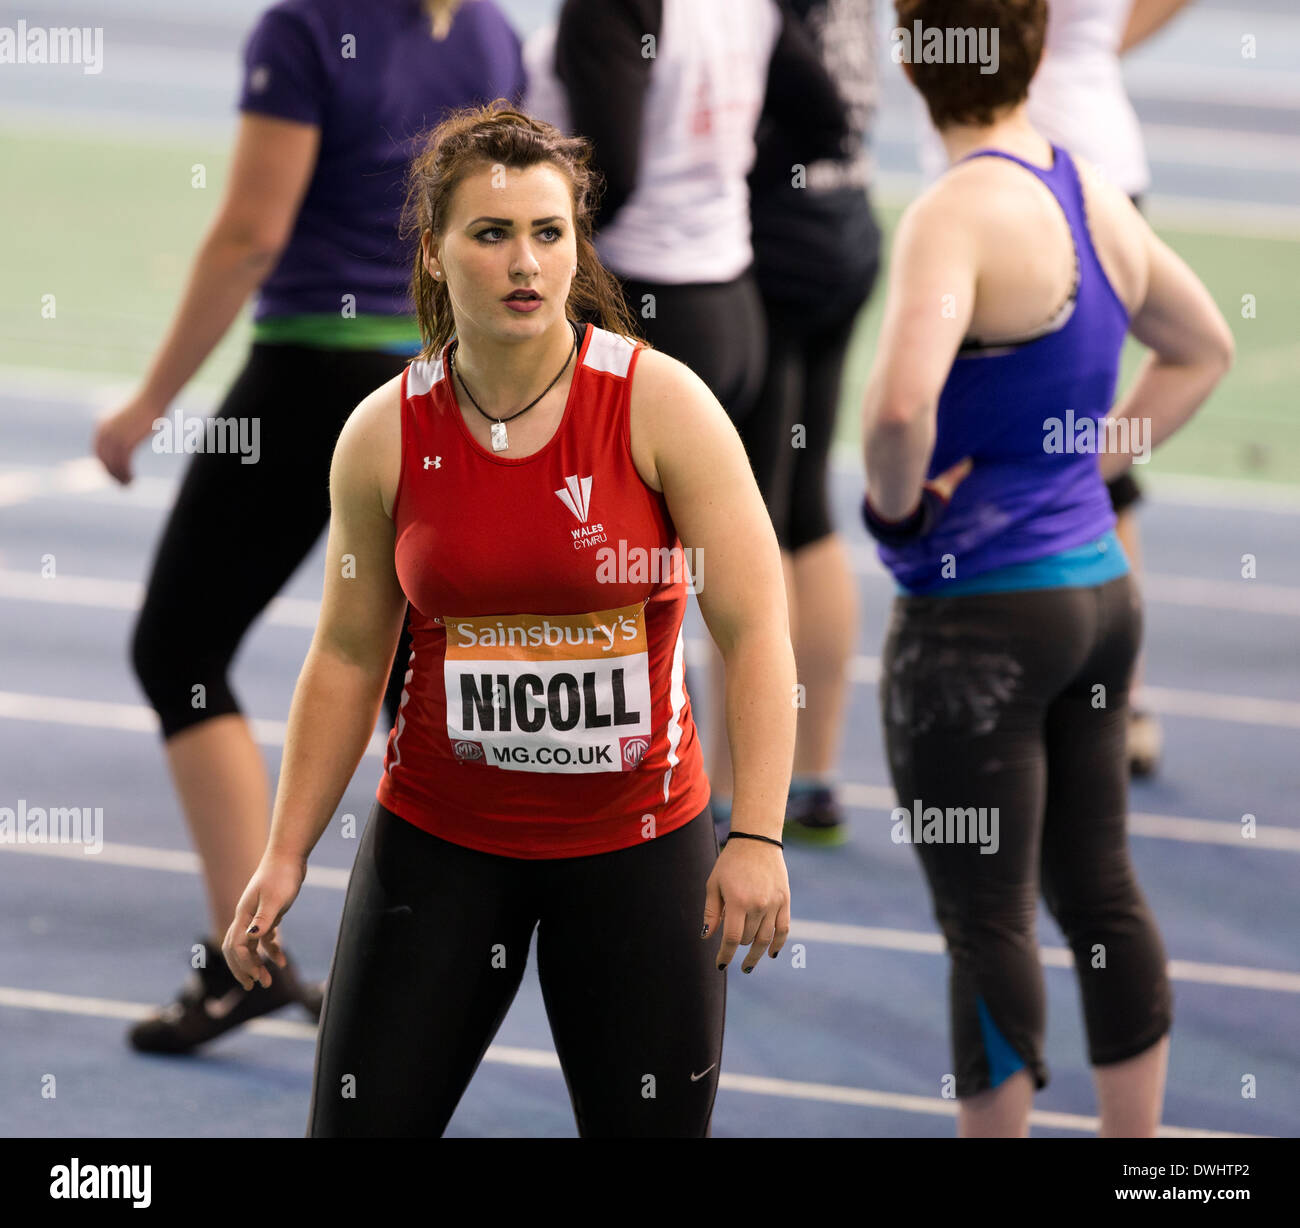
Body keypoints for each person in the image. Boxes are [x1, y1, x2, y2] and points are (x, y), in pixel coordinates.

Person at [222, 102, 796, 1138]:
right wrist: (285, 849)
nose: (525, 262)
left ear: (578, 248)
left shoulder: (661, 407)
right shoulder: (384, 434)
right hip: (440, 844)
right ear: (436, 255)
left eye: (549, 232)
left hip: (636, 847)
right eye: (491, 235)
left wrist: (755, 832)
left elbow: (755, 630)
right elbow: (349, 655)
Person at [90, 0, 526, 1053]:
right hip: (434, 381)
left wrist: (150, 401)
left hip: (310, 376)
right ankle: (435, 975)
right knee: (416, 688)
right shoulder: (493, 31)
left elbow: (250, 233)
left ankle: (251, 953)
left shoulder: (302, 26)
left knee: (178, 646)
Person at [863, 0, 1232, 1136]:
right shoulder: (1086, 192)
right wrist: (1085, 458)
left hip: (981, 620)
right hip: (1098, 602)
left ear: (914, 59)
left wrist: (901, 514)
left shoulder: (951, 213)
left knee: (987, 919)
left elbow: (896, 410)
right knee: (1100, 888)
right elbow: (1201, 349)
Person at [523, 0, 840, 831]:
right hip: (734, 302)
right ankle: (743, 801)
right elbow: (826, 119)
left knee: (615, 572)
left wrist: (531, 251)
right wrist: (726, 178)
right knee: (739, 570)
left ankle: (651, 799)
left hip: (646, 309)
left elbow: (614, 170)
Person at [916, 0, 1198, 776]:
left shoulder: (965, 185)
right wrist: (1094, 48)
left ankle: (1048, 689)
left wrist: (893, 506)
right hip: (1086, 162)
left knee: (999, 436)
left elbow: (901, 410)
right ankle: (1115, 694)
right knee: (1067, 440)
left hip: (1021, 169)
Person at [744, 0, 882, 844]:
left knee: (753, 522)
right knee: (805, 509)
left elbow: (814, 104)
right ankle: (816, 778)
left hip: (780, 239)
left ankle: (738, 795)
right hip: (847, 222)